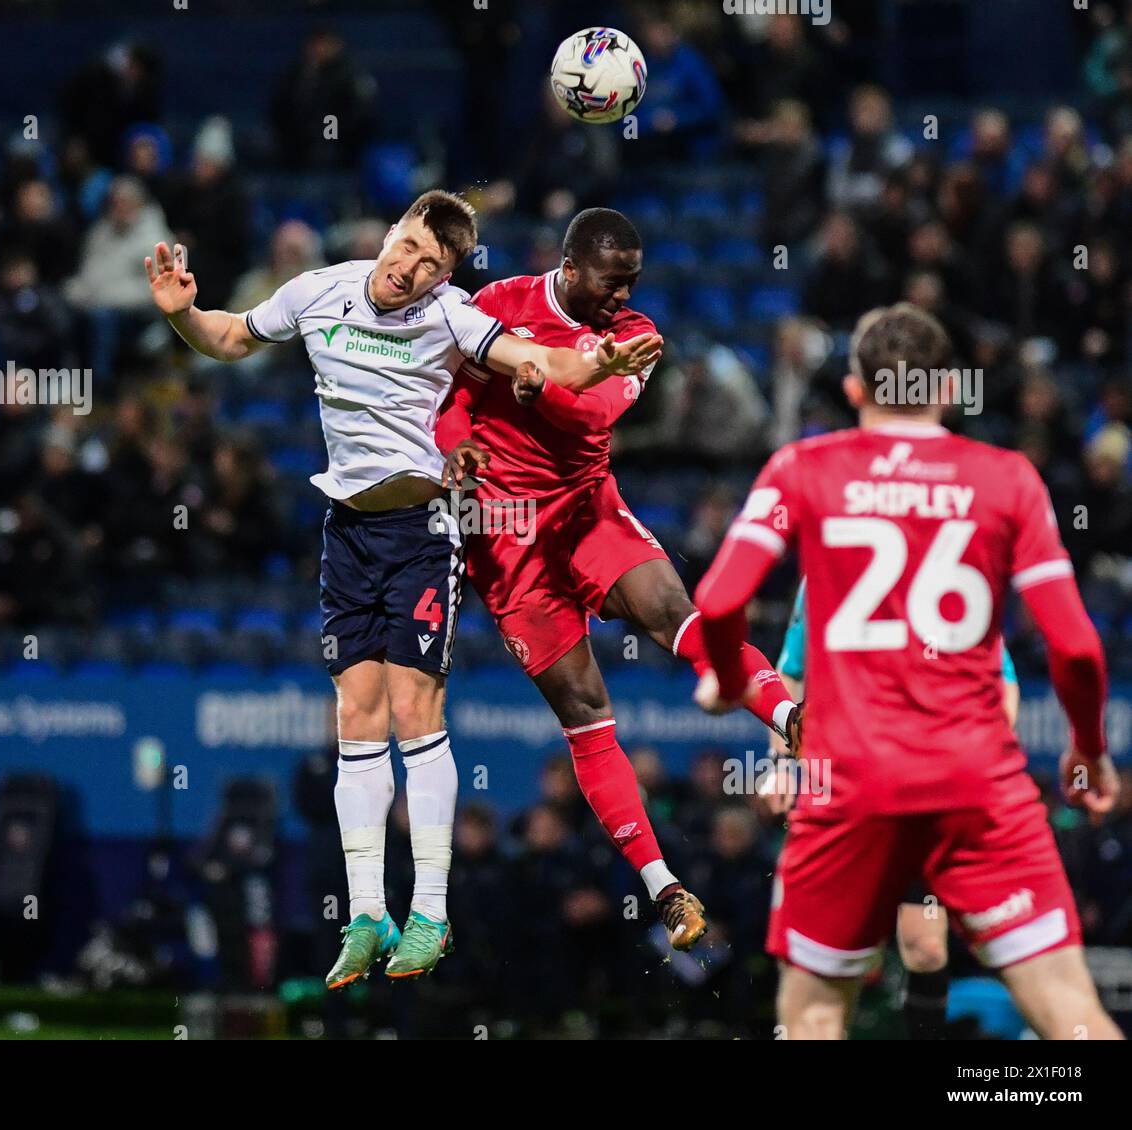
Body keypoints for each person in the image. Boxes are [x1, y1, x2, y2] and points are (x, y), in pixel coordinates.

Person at [147, 189, 661, 989]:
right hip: (344, 531)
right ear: (390, 234)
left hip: (424, 531)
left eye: (434, 265)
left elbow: (544, 361)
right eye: (411, 249)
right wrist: (183, 314)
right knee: (354, 716)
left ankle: (429, 912)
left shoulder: (452, 317)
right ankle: (365, 914)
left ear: (447, 275)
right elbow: (230, 337)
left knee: (415, 713)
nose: (413, 271)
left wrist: (599, 359)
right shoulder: (318, 290)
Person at [695, 302, 1123, 1040]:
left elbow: (719, 599)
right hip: (978, 784)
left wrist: (728, 674)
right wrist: (1086, 749)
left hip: (851, 786)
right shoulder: (1009, 478)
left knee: (814, 1015)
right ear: (951, 389)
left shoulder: (804, 468)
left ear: (856, 390)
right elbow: (1079, 647)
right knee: (1073, 1016)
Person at [434, 209, 801, 950]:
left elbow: (588, 412)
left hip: (586, 508)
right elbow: (452, 401)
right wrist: (463, 444)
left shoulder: (637, 335)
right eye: (610, 281)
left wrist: (540, 376)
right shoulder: (499, 304)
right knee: (584, 707)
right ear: (569, 269)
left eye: (631, 281)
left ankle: (795, 721)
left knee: (674, 609)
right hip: (504, 539)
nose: (621, 295)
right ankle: (662, 886)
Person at [765, 577, 1021, 1039]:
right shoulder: (825, 572)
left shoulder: (954, 570)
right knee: (820, 945)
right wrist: (781, 761)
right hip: (842, 788)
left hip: (926, 792)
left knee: (925, 947)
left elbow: (1002, 681)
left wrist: (985, 759)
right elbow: (790, 671)